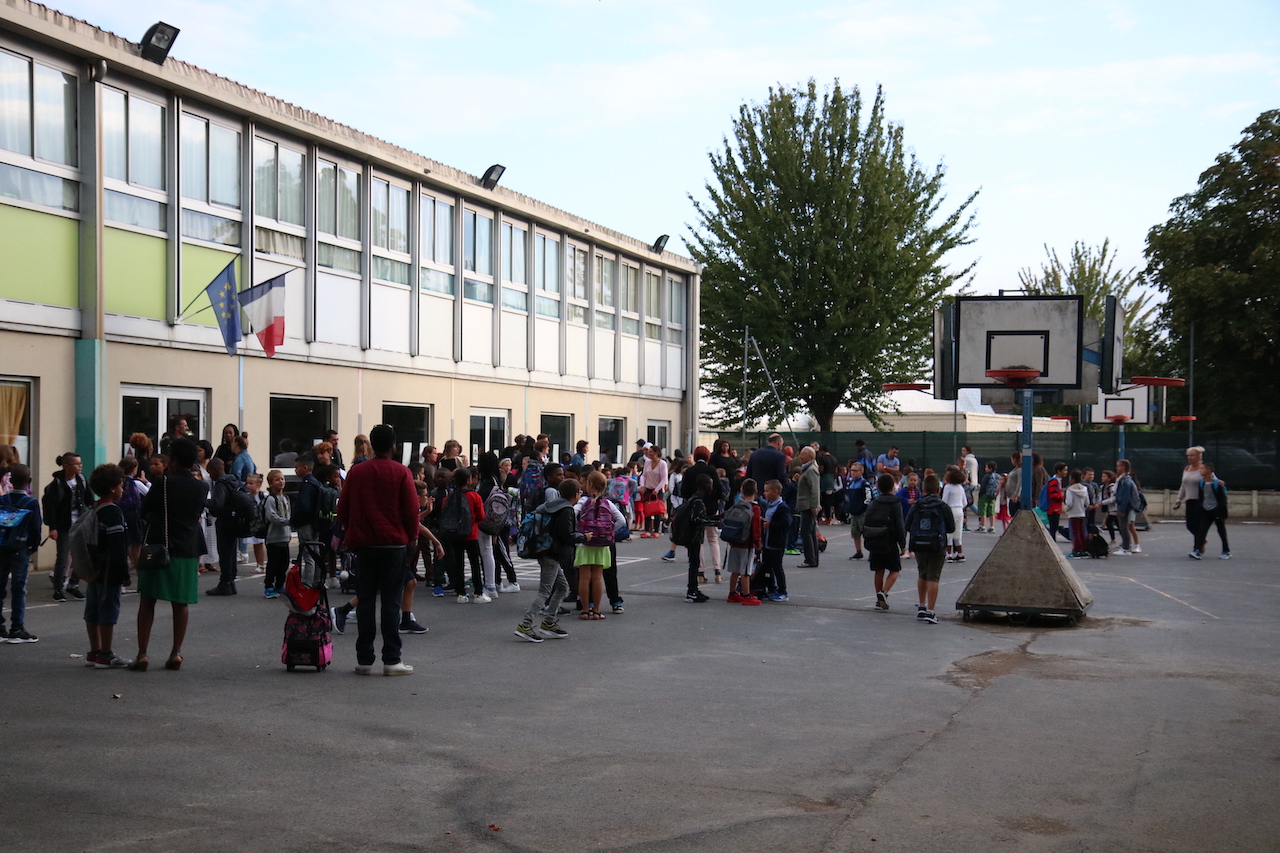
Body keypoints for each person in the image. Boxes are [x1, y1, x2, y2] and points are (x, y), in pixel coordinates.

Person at [337, 424, 419, 676]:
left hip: (364, 543)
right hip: (393, 544)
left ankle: (364, 659)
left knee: (366, 600)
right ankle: (392, 659)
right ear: (393, 445)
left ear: (372, 445)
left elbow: (344, 508)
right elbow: (411, 510)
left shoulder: (357, 472)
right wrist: (412, 539)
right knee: (391, 602)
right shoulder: (402, 472)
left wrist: (352, 530)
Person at [133, 438, 207, 671]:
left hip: (158, 547)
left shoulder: (162, 483)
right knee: (180, 603)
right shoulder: (202, 486)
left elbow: (144, 511)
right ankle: (176, 652)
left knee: (148, 601)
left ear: (172, 461)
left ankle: (143, 653)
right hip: (187, 549)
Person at [514, 479, 581, 642]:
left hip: (544, 550)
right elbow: (566, 535)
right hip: (552, 554)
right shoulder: (566, 510)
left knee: (563, 587)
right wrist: (584, 537)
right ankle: (526, 624)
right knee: (545, 591)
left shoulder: (552, 505)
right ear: (576, 494)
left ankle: (549, 621)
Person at [81, 464, 133, 669]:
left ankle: (94, 651)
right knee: (108, 610)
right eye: (121, 485)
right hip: (110, 571)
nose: (122, 489)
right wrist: (124, 574)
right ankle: (106, 653)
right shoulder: (113, 512)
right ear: (113, 488)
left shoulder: (94, 508)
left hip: (93, 569)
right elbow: (118, 547)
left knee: (92, 610)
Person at [0, 465, 41, 643]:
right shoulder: (31, 503)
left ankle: (0, 628)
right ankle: (17, 628)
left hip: (2, 548)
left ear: (10, 480)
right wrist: (33, 547)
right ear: (29, 482)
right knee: (18, 588)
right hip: (20, 548)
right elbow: (36, 529)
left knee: (0, 587)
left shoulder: (3, 500)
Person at [906, 473, 953, 624]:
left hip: (919, 543)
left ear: (923, 489)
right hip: (937, 544)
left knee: (922, 573)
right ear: (938, 489)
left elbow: (907, 525)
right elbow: (951, 527)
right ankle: (931, 611)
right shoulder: (943, 506)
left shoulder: (917, 505)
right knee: (934, 576)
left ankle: (921, 605)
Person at [42, 451, 89, 602]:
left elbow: (88, 498)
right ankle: (58, 589)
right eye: (77, 464)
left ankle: (73, 585)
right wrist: (52, 527)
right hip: (63, 525)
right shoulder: (56, 485)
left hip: (80, 523)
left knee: (81, 556)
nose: (80, 466)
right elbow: (50, 508)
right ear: (66, 466)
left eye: (80, 463)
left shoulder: (81, 480)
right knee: (62, 557)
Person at [574, 471, 618, 618]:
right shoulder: (608, 503)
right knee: (598, 576)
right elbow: (622, 521)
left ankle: (585, 609)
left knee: (584, 577)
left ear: (590, 484)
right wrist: (610, 531)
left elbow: (573, 514)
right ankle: (597, 611)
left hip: (585, 542)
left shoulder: (583, 501)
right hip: (602, 544)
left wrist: (578, 531)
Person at [441, 467, 486, 603]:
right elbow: (481, 516)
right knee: (474, 563)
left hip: (455, 534)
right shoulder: (474, 496)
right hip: (471, 533)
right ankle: (478, 593)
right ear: (469, 480)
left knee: (458, 563)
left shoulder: (449, 497)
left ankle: (461, 593)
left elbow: (444, 512)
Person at [864, 473, 906, 610]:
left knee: (878, 570)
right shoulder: (895, 503)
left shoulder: (874, 503)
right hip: (889, 541)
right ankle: (884, 592)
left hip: (875, 539)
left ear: (878, 487)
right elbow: (900, 525)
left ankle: (878, 597)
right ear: (892, 487)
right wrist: (903, 544)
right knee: (895, 569)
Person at [204, 458, 243, 596]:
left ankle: (225, 582)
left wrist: (208, 503)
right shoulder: (232, 481)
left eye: (210, 472)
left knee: (225, 551)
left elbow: (218, 504)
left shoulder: (221, 483)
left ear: (215, 470)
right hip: (234, 519)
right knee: (231, 551)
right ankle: (231, 580)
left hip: (225, 520)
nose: (210, 475)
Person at [725, 478, 763, 605]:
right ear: (756, 491)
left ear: (741, 491)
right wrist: (757, 542)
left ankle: (732, 593)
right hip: (747, 543)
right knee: (746, 571)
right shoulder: (755, 508)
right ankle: (746, 595)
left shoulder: (737, 506)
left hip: (735, 541)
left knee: (734, 570)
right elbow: (756, 527)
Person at [758, 479, 791, 601]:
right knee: (767, 566)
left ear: (775, 492)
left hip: (777, 543)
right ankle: (771, 587)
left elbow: (786, 524)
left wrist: (771, 525)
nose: (764, 493)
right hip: (767, 542)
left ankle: (783, 591)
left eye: (767, 491)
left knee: (777, 567)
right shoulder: (769, 505)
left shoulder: (782, 507)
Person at [1191, 462, 1230, 560]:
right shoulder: (1202, 483)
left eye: (1202, 469)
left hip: (1216, 511)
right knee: (1202, 531)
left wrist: (1222, 512)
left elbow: (1223, 499)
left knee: (1221, 531)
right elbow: (1201, 497)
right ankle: (1197, 550)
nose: (1200, 471)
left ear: (1209, 471)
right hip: (1205, 510)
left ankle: (1226, 551)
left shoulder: (1217, 484)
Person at [262, 470, 291, 599]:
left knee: (284, 564)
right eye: (277, 479)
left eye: (282, 479)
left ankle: (279, 585)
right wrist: (287, 522)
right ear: (271, 484)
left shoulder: (286, 498)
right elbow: (272, 516)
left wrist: (289, 531)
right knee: (273, 564)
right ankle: (269, 586)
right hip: (273, 538)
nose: (281, 481)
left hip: (284, 538)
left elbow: (288, 514)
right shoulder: (270, 499)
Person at [1174, 446, 1208, 555]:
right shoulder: (1186, 469)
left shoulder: (1203, 469)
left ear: (1199, 456)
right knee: (1190, 525)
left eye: (1192, 455)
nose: (1189, 458)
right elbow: (1183, 485)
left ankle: (1197, 547)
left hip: (1200, 500)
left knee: (1197, 524)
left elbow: (1212, 480)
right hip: (1189, 500)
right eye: (1188, 455)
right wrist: (1179, 498)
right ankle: (1201, 540)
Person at [795, 446, 821, 568]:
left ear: (810, 456)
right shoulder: (806, 470)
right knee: (810, 532)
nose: (800, 456)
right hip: (806, 504)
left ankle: (810, 559)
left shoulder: (811, 470)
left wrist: (814, 505)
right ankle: (812, 558)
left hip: (808, 505)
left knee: (806, 532)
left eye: (803, 455)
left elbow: (814, 489)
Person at [638, 445, 669, 538]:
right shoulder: (647, 462)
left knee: (657, 510)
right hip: (648, 488)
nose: (648, 453)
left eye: (651, 451)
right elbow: (643, 475)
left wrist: (657, 489)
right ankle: (647, 530)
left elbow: (664, 479)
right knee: (647, 509)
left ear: (656, 453)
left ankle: (656, 530)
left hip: (658, 490)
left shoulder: (662, 464)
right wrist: (642, 485)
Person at [845, 463, 873, 560]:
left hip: (862, 512)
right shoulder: (851, 483)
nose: (852, 473)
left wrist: (863, 507)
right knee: (855, 533)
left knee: (866, 533)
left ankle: (871, 552)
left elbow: (868, 497)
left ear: (861, 472)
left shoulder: (864, 483)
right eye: (851, 470)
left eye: (855, 471)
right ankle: (858, 551)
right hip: (854, 512)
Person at [1113, 459, 1142, 555]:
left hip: (1124, 507)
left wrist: (1122, 508)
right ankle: (1126, 546)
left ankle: (1126, 548)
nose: (1117, 468)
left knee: (1124, 527)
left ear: (1123, 467)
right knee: (1124, 527)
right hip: (1124, 506)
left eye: (1118, 466)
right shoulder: (1124, 479)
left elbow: (1125, 496)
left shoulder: (1125, 481)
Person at [942, 468, 967, 563]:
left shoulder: (948, 487)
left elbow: (944, 501)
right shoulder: (960, 487)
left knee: (949, 533)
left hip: (950, 510)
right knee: (958, 533)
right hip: (959, 510)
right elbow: (964, 502)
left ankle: (949, 554)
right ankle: (960, 553)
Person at [1064, 469, 1090, 558]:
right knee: (1082, 532)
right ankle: (1084, 550)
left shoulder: (1070, 490)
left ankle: (1076, 550)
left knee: (1075, 533)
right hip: (1082, 513)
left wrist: (1066, 509)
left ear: (1073, 479)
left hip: (1073, 514)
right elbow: (1087, 503)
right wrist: (1083, 509)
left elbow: (1069, 503)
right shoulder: (1085, 489)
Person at [976, 461, 999, 533]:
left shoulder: (987, 476)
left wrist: (980, 494)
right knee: (991, 511)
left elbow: (983, 486)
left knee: (983, 511)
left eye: (986, 467)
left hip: (985, 495)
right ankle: (992, 527)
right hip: (993, 496)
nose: (985, 469)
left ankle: (983, 526)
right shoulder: (997, 476)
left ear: (990, 468)